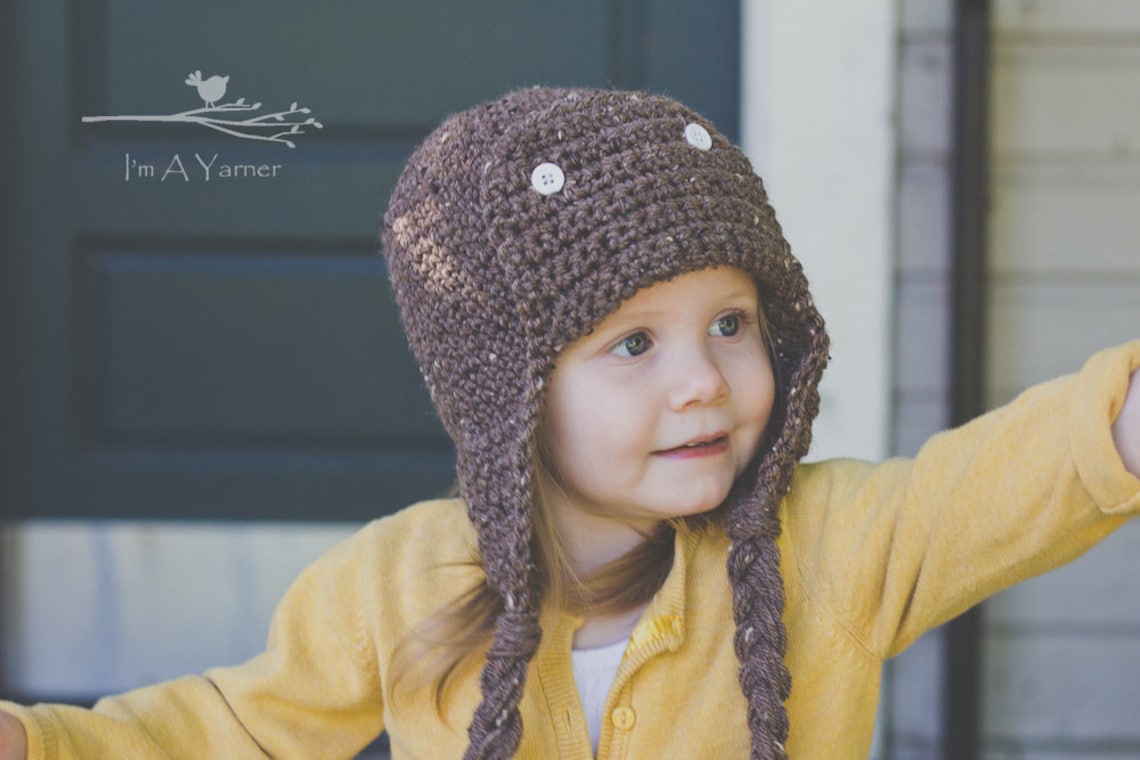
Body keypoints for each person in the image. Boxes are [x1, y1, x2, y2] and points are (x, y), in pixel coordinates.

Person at [1, 86, 1138, 760]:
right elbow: (232, 731)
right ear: (509, 392)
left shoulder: (828, 546)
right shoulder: (399, 584)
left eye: (731, 323)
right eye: (634, 344)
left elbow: (1003, 480)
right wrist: (42, 742)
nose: (702, 381)